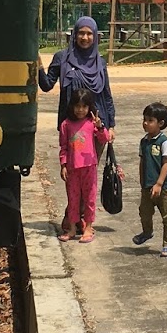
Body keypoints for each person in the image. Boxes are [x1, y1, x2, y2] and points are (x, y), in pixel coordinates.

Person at [39, 15, 115, 131]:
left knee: (93, 150)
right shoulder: (62, 58)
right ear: (75, 35)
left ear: (95, 36)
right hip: (71, 126)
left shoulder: (100, 63)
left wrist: (111, 126)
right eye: (81, 33)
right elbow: (46, 85)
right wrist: (38, 66)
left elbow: (106, 96)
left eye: (89, 33)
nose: (85, 37)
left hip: (97, 125)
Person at [57, 90, 111, 243]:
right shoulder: (66, 125)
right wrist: (63, 165)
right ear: (72, 106)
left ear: (89, 107)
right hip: (73, 169)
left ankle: (88, 227)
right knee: (73, 199)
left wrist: (100, 127)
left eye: (84, 106)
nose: (80, 110)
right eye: (77, 106)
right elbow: (63, 147)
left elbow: (105, 138)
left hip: (89, 167)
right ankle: (72, 228)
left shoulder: (91, 124)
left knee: (89, 199)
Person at [131, 102, 167, 257]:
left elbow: (166, 164)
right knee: (144, 212)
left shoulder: (165, 142)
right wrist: (143, 181)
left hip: (163, 188)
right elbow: (142, 161)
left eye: (150, 120)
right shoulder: (144, 142)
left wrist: (159, 183)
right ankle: (147, 232)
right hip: (146, 186)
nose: (145, 123)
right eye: (144, 119)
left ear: (160, 123)